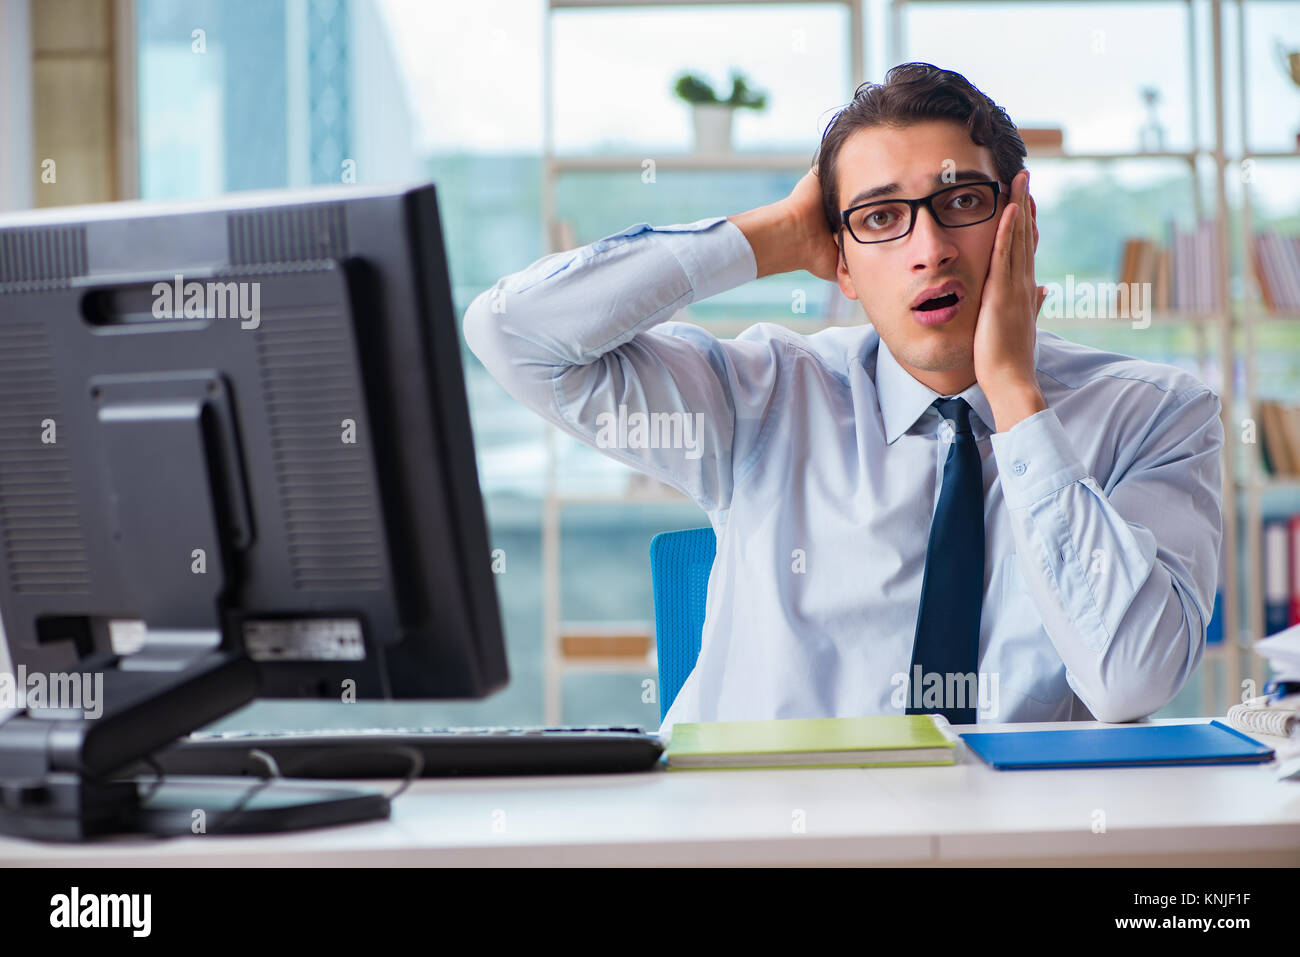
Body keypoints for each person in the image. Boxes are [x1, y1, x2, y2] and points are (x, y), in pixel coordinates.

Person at [463, 62, 1224, 735]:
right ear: (844, 267)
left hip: (1016, 844)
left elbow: (1131, 675)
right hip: (766, 838)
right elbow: (512, 333)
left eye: (960, 200)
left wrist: (1016, 398)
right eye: (881, 217)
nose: (929, 249)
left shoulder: (1157, 414)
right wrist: (776, 235)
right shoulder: (762, 396)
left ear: (1019, 219)